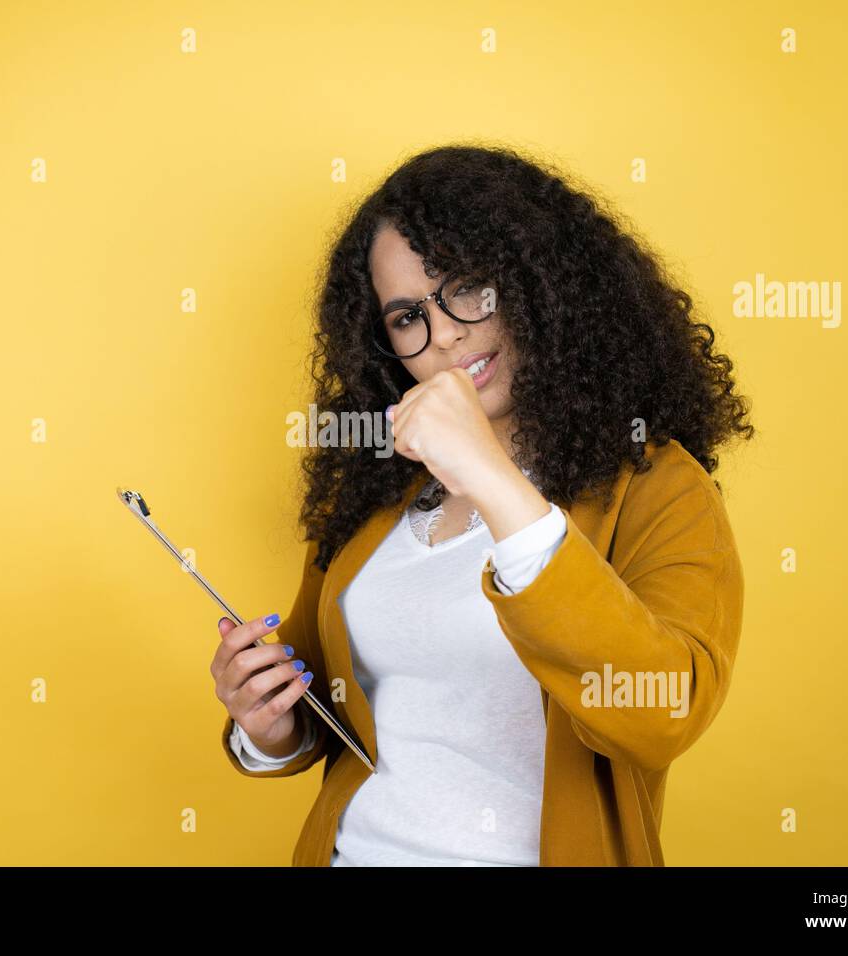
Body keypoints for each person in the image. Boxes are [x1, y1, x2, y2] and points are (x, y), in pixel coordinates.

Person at [208, 143, 753, 866]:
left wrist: (490, 476)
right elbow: (326, 712)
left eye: (468, 288)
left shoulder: (657, 486)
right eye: (407, 316)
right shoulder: (371, 494)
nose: (445, 335)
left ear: (542, 282)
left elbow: (662, 715)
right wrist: (267, 726)